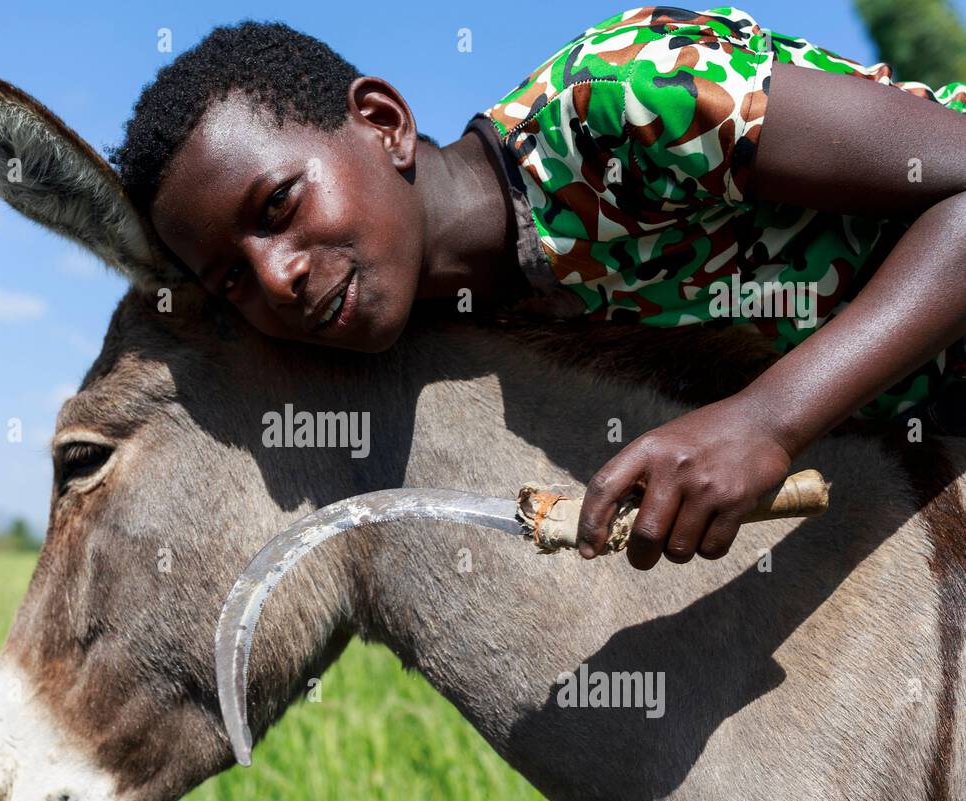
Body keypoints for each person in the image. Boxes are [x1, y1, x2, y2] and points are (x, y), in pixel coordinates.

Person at [109, 7, 966, 571]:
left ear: (383, 123)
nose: (277, 276)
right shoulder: (469, 324)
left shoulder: (619, 104)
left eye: (279, 205)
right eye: (232, 279)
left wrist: (767, 420)